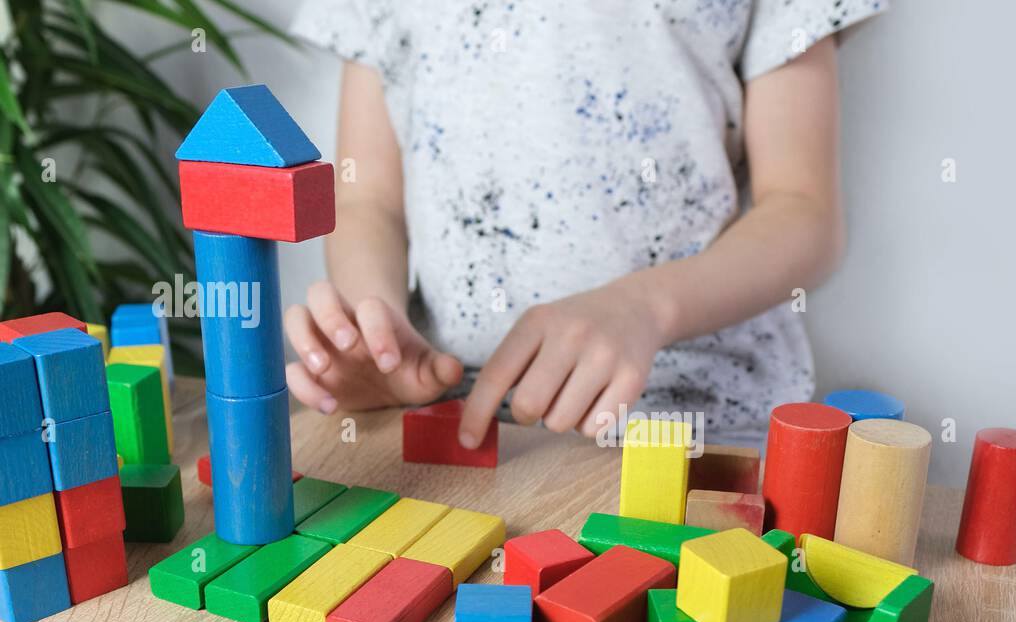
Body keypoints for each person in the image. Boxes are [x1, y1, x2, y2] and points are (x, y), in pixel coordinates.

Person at [287, 0, 886, 448]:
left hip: (706, 420)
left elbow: (803, 208)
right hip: (449, 417)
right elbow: (367, 198)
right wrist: (380, 339)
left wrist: (642, 308)